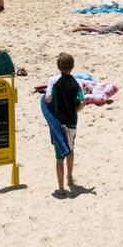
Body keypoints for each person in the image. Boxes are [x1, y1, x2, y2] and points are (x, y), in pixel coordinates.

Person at [46, 52, 84, 196]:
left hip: (58, 122)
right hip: (72, 121)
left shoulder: (53, 80)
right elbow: (82, 102)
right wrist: (75, 111)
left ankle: (61, 189)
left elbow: (48, 98)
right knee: (70, 148)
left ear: (58, 66)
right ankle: (70, 178)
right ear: (72, 66)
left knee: (59, 156)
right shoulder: (78, 82)